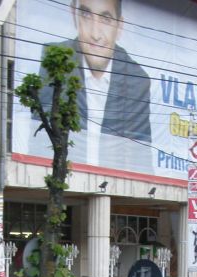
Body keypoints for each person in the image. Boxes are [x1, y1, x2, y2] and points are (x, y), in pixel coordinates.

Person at [37, 0, 151, 169]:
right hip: (63, 173)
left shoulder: (137, 80)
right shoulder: (55, 58)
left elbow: (141, 157)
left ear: (119, 26)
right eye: (86, 14)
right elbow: (40, 141)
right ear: (74, 15)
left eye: (106, 19)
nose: (95, 34)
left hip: (114, 179)